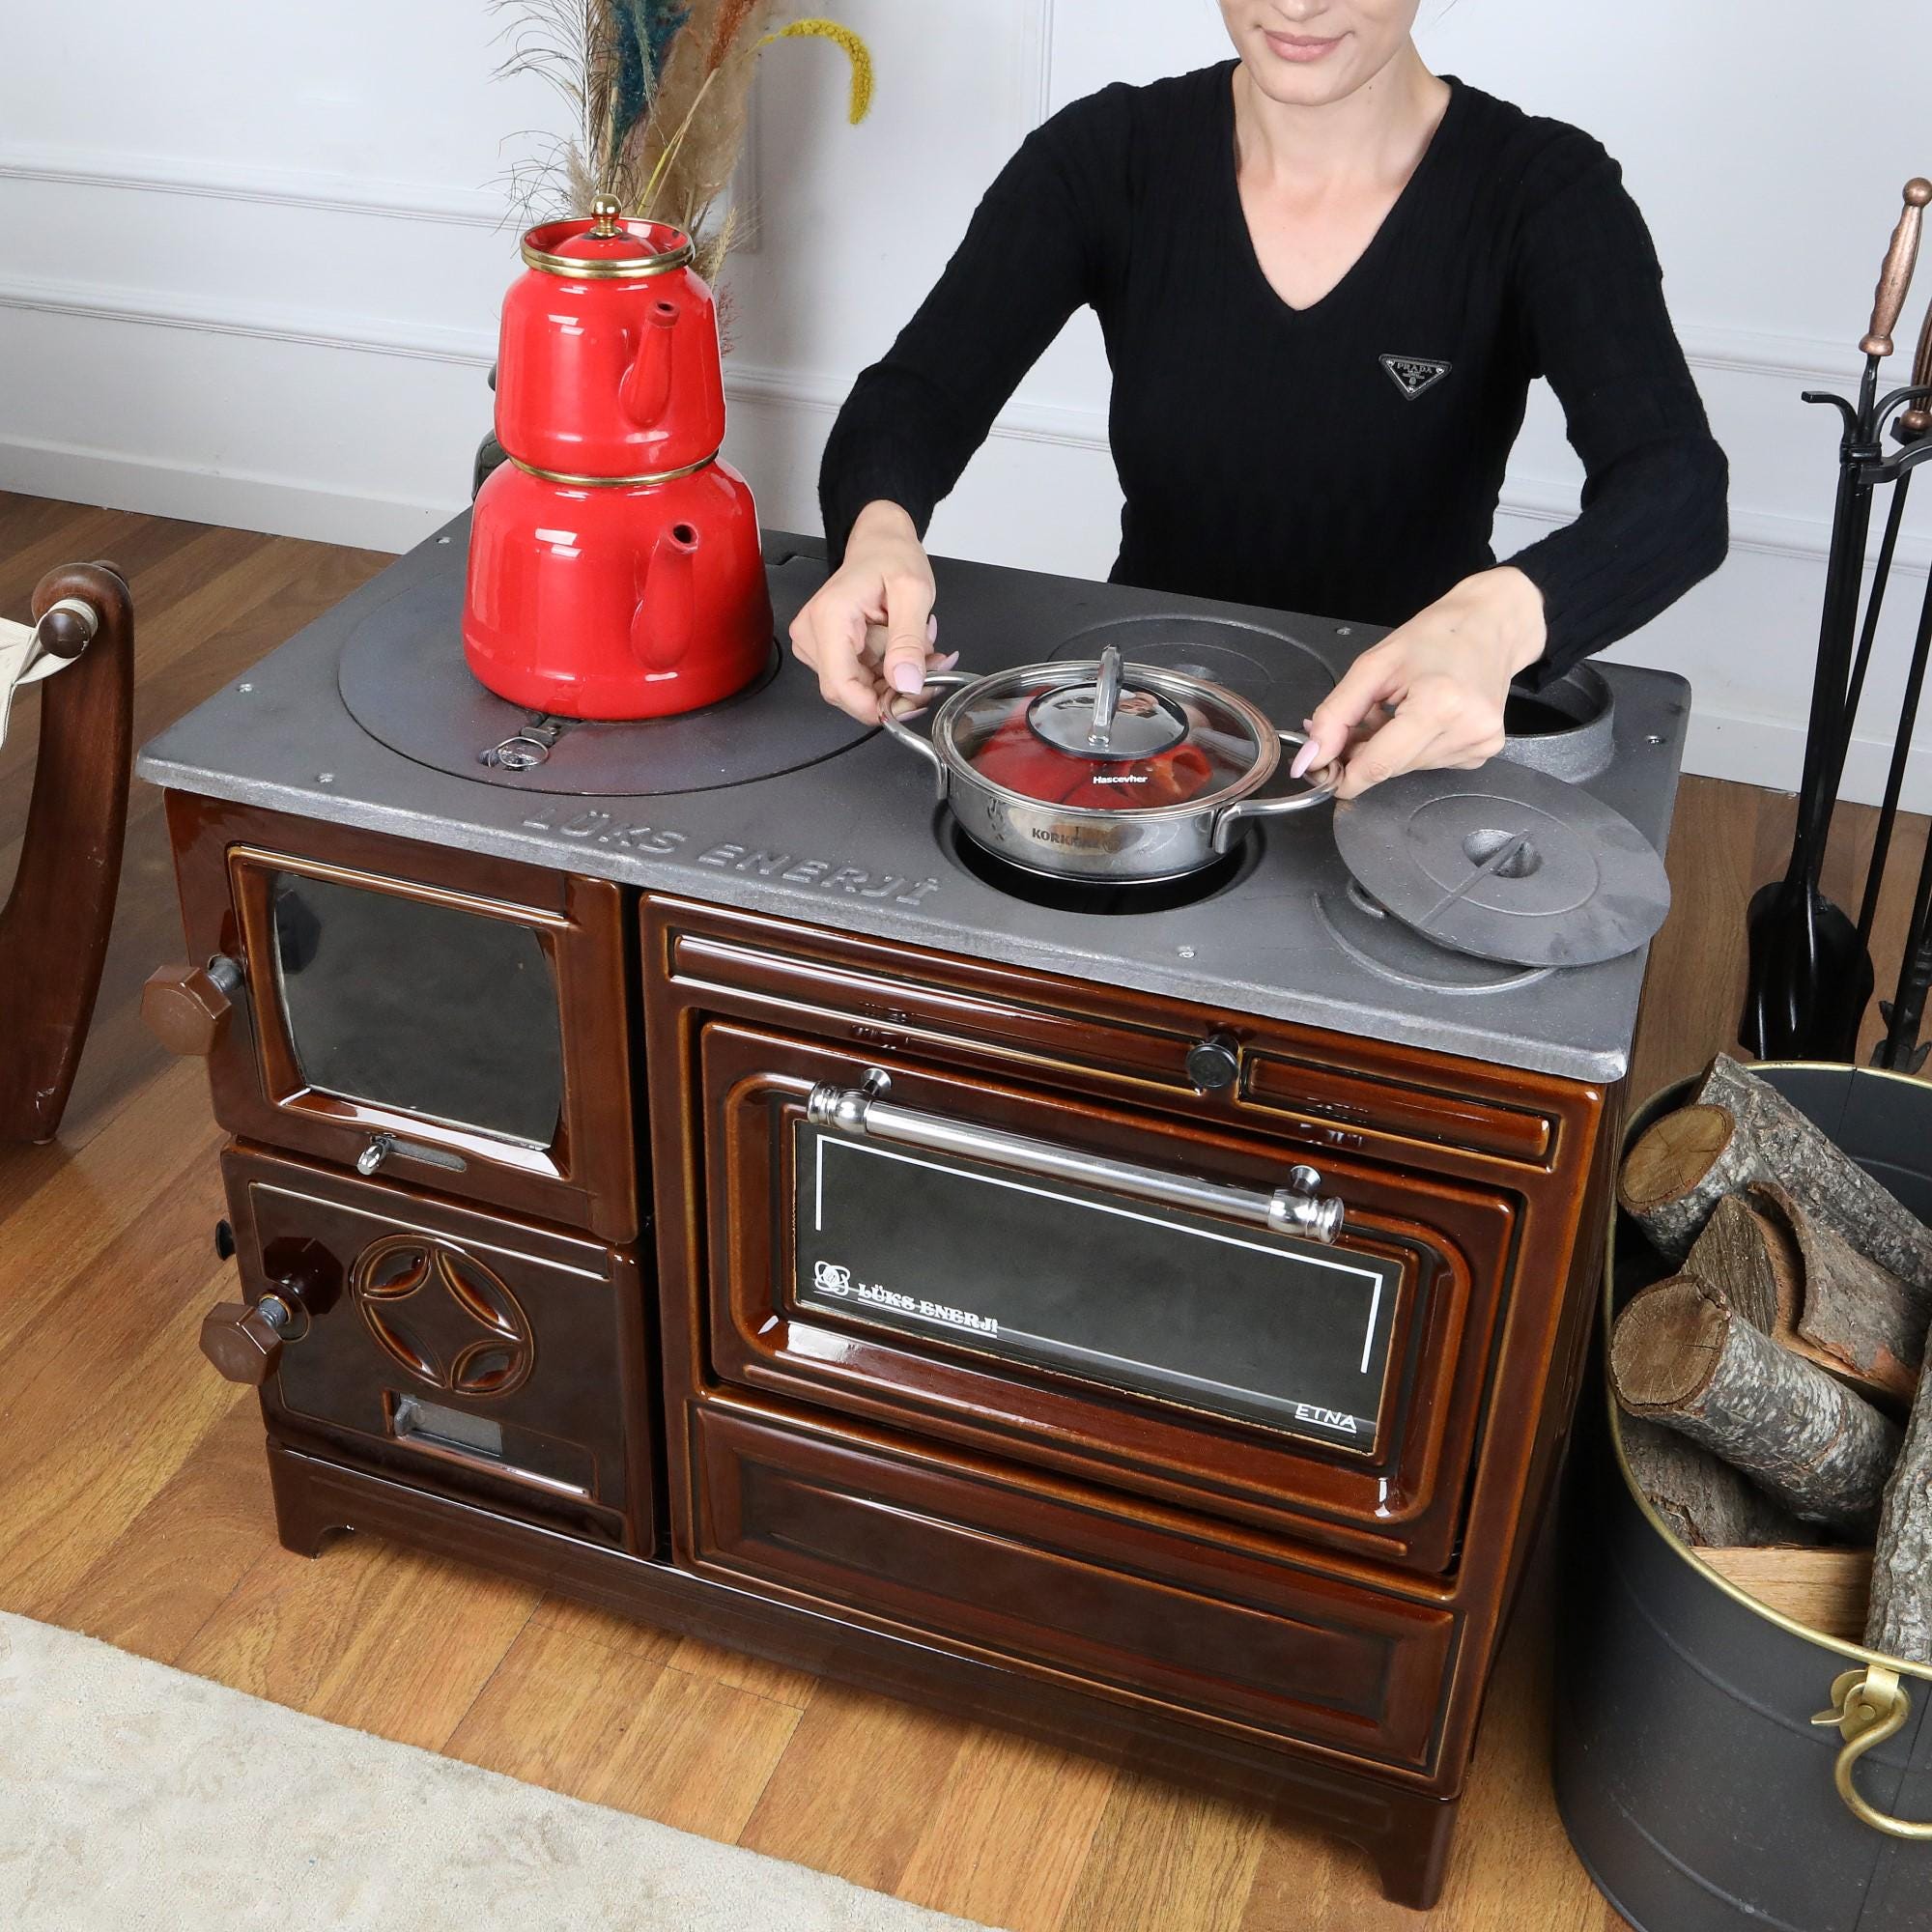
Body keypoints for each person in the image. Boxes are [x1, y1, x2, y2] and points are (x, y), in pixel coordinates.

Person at [787, 1, 1727, 798]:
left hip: (1404, 738)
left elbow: (1675, 488)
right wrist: (876, 534)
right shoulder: (1105, 154)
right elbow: (915, 396)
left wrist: (1493, 623)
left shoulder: (1541, 191)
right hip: (1147, 731)